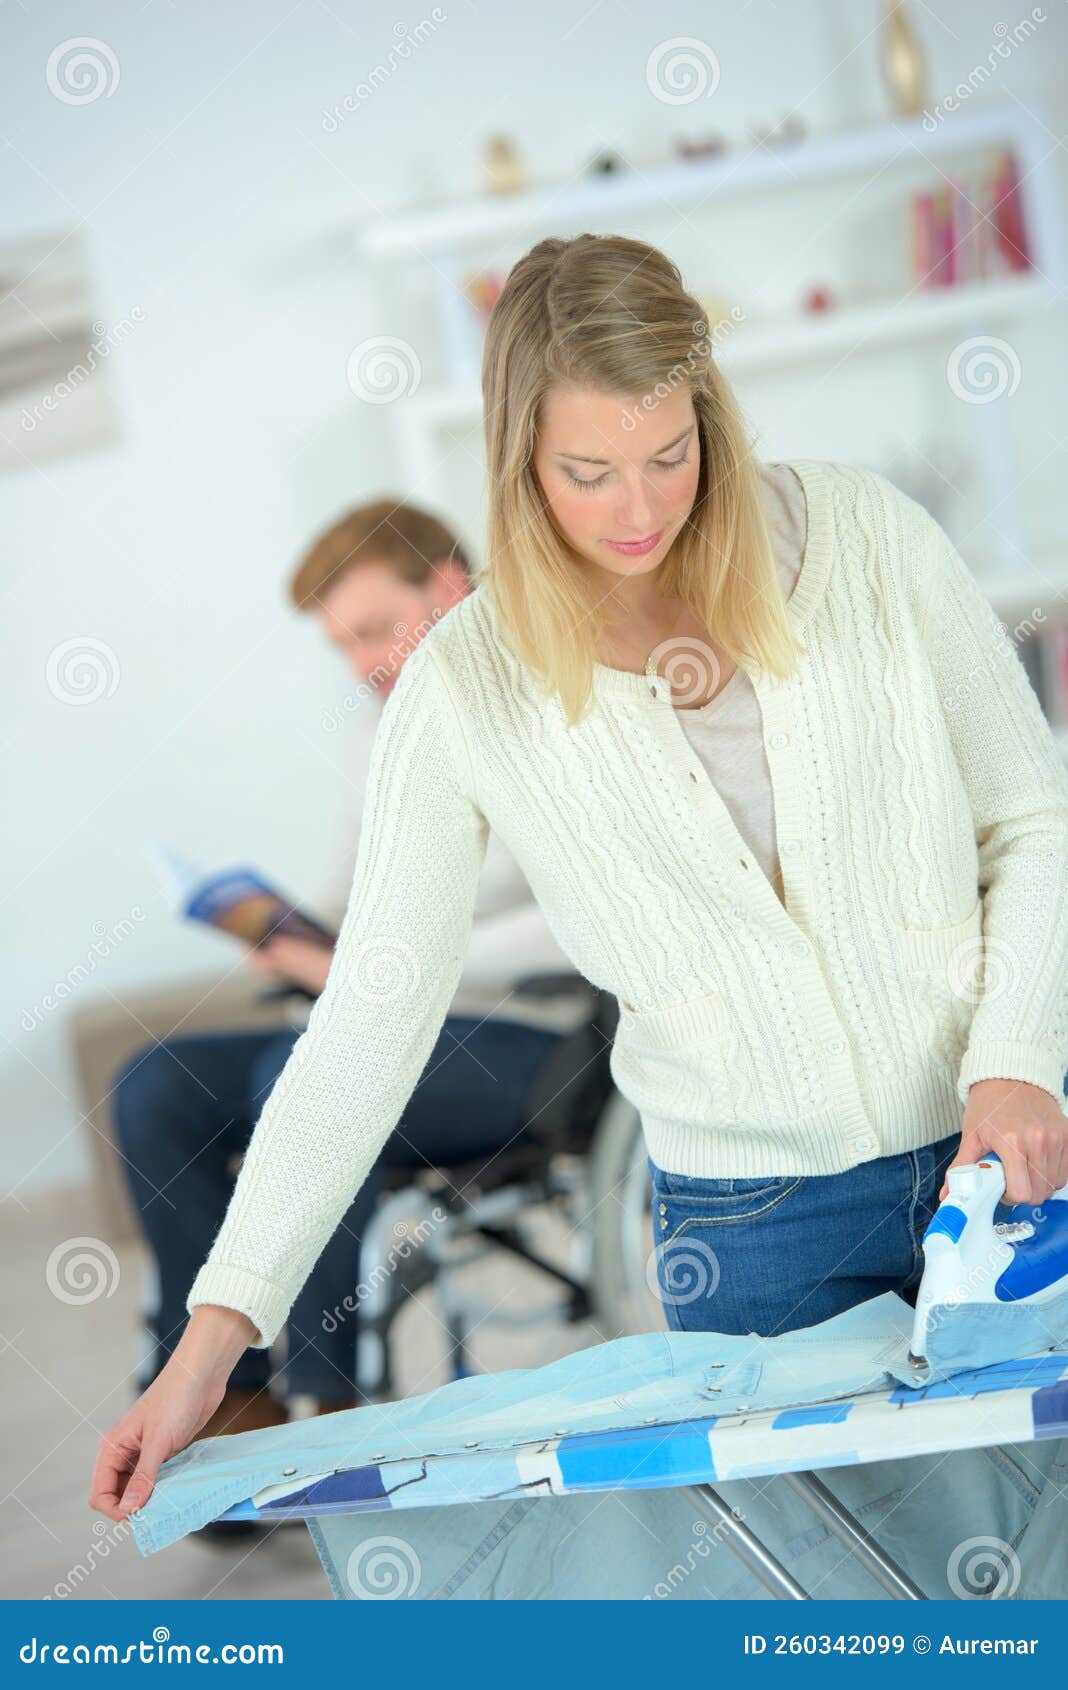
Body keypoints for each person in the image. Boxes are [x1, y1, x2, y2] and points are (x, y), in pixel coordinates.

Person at [91, 231, 1068, 1525]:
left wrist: (1020, 1056)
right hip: (758, 1227)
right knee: (859, 1592)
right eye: (588, 472)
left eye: (670, 452)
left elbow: (1031, 817)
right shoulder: (464, 686)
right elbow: (369, 1022)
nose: (640, 507)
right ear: (519, 460)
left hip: (1009, 1158)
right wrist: (211, 1346)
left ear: (708, 410)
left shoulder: (868, 537)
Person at [110, 499, 584, 1445]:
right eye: (343, 645)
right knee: (154, 1086)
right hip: (393, 1006)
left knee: (297, 1074)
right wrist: (285, 929)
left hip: (536, 1032)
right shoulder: (386, 723)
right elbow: (357, 893)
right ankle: (229, 1397)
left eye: (375, 629)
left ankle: (327, 1407)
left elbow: (584, 917)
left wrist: (375, 961)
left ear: (449, 585)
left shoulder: (548, 697)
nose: (363, 663)